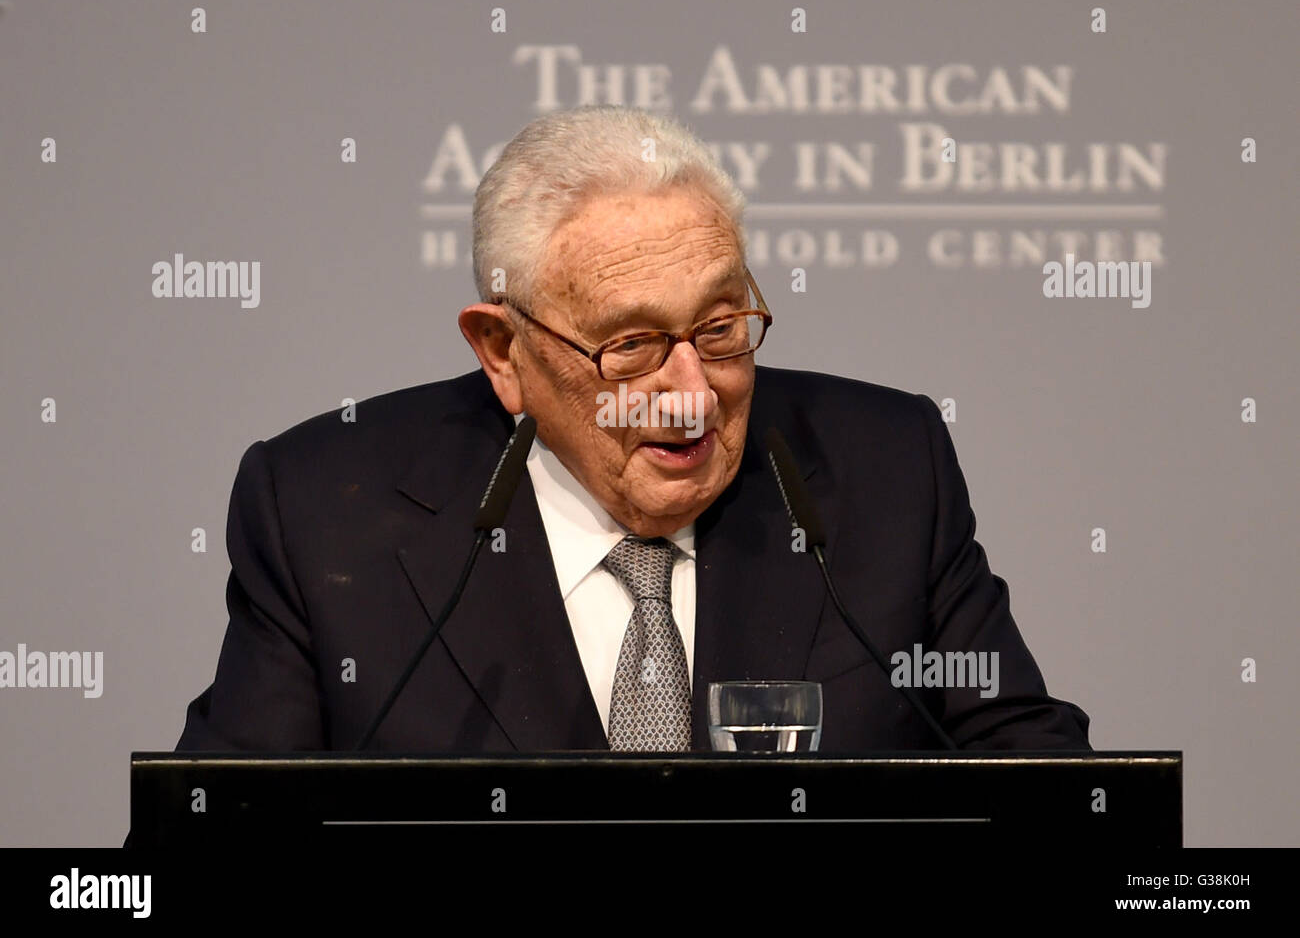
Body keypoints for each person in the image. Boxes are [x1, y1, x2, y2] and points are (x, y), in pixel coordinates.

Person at [175, 105, 1090, 754]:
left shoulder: (885, 468)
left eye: (722, 328)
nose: (691, 392)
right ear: (504, 350)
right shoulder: (325, 513)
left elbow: (1045, 786)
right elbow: (220, 837)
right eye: (632, 343)